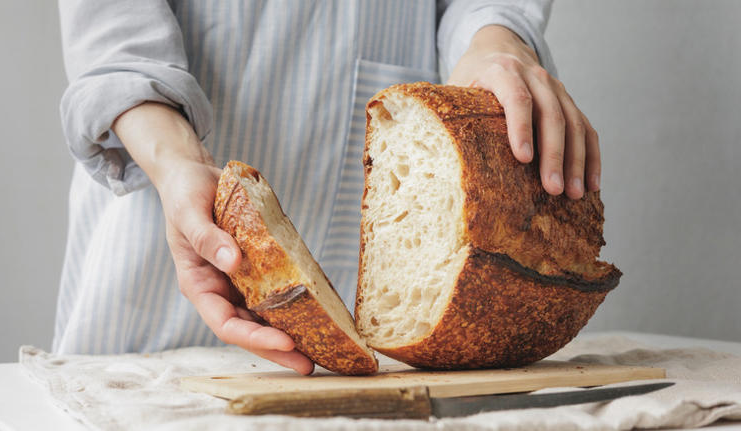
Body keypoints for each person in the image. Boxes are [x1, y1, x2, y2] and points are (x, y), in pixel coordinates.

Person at [54, 0, 601, 375]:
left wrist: (495, 37)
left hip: (397, 348)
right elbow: (114, 38)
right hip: (156, 273)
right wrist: (177, 162)